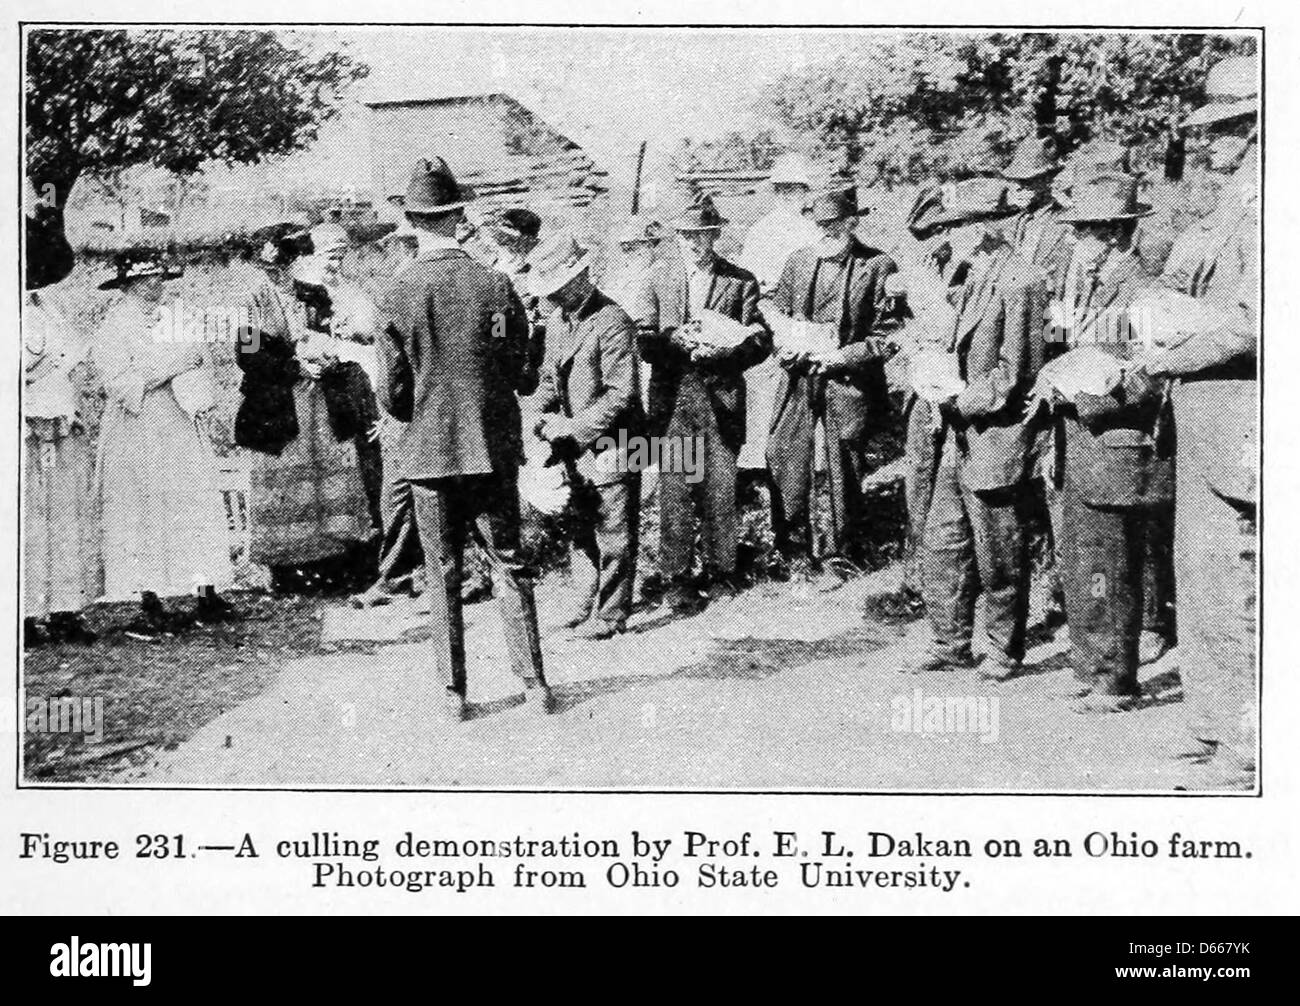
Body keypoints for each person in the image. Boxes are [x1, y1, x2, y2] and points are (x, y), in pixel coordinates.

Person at [377, 157, 551, 721]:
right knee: (509, 564)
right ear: (457, 219)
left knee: (441, 571)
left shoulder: (397, 293)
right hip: (490, 448)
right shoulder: (496, 286)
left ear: (412, 222)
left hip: (427, 455)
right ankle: (535, 686)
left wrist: (418, 412)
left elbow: (393, 391)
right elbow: (519, 369)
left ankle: (454, 694)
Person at [1135, 54, 1259, 788]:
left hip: (1241, 419)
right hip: (1204, 424)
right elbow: (1174, 284)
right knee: (1205, 579)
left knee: (1239, 588)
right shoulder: (1223, 211)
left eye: (1227, 130)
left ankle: (1252, 749)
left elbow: (1254, 321)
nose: (1210, 145)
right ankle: (1216, 727)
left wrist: (1168, 356)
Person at [1032, 173, 1172, 711]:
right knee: (1086, 564)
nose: (1075, 243)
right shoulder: (1087, 287)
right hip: (1080, 447)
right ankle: (1092, 665)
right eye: (1076, 232)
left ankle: (1114, 680)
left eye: (1086, 233)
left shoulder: (1142, 292)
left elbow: (1153, 376)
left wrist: (1084, 393)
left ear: (1115, 234)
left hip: (1117, 449)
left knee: (1109, 569)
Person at [902, 181, 1045, 678]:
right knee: (944, 539)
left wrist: (961, 399)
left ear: (985, 226)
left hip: (995, 433)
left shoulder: (1020, 280)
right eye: (945, 226)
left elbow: (1015, 371)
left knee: (998, 548)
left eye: (956, 226)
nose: (947, 235)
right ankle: (949, 642)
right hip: (955, 430)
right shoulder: (968, 272)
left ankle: (1004, 648)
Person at [635, 194, 771, 614]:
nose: (696, 243)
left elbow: (760, 340)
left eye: (704, 235)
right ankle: (677, 577)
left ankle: (721, 571)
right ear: (678, 237)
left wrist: (727, 351)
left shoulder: (740, 280)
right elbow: (643, 339)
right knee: (676, 489)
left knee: (719, 488)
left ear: (716, 235)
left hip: (721, 397)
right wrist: (672, 339)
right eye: (688, 236)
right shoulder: (657, 277)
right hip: (675, 398)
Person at [765, 187, 905, 591]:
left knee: (844, 464)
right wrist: (785, 343)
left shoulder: (880, 266)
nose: (825, 231)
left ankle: (841, 553)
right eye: (819, 225)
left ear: (851, 222)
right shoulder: (798, 262)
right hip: (799, 376)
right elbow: (781, 315)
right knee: (785, 454)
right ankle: (792, 550)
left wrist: (845, 357)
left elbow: (889, 333)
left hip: (847, 381)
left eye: (833, 224)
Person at [93, 250, 234, 630]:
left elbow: (200, 358)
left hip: (179, 419)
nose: (156, 283)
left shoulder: (175, 316)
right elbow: (119, 383)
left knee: (192, 498)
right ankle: (150, 597)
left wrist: (198, 387)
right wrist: (173, 366)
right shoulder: (116, 325)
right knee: (145, 505)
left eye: (158, 276)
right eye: (146, 278)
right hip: (139, 426)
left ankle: (205, 590)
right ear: (128, 284)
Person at [236, 224, 374, 592]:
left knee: (327, 474)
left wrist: (328, 354)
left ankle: (333, 562)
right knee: (286, 480)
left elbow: (333, 336)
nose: (279, 271)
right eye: (272, 266)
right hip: (280, 403)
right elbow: (248, 354)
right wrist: (295, 367)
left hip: (321, 401)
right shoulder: (252, 300)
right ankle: (287, 570)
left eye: (287, 261)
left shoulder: (314, 295)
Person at [530, 232, 644, 639]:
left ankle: (612, 615)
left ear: (581, 277)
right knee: (581, 524)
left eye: (559, 288)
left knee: (614, 531)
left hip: (619, 440)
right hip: (576, 445)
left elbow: (622, 393)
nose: (554, 297)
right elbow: (548, 377)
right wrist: (537, 413)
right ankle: (584, 599)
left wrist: (573, 427)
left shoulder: (613, 320)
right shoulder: (559, 320)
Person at [23, 189, 99, 645]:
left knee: (63, 516)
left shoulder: (48, 306)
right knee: (26, 517)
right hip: (23, 423)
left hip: (58, 417)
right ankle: (25, 612)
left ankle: (64, 607)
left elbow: (73, 351)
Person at [352, 225, 425, 608]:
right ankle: (401, 573)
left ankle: (408, 574)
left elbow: (395, 365)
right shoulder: (399, 289)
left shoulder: (396, 294)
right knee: (400, 496)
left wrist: (392, 408)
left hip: (411, 412)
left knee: (404, 495)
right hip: (408, 411)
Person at [739, 152, 823, 469]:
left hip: (808, 313)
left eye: (795, 188)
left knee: (808, 378)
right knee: (767, 384)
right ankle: (761, 458)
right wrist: (775, 321)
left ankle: (811, 457)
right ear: (775, 192)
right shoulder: (761, 232)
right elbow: (751, 285)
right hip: (770, 311)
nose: (788, 195)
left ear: (804, 192)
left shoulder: (813, 229)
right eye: (782, 189)